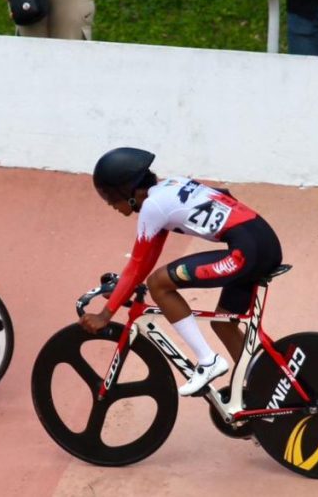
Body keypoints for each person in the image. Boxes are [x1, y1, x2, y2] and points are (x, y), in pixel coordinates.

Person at [80, 147, 283, 396]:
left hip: (246, 252)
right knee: (225, 323)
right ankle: (269, 387)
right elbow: (146, 260)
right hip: (260, 242)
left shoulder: (152, 207)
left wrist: (104, 315)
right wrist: (123, 289)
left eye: (110, 196)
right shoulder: (172, 185)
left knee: (158, 284)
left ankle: (208, 362)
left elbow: (138, 267)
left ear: (126, 190)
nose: (110, 204)